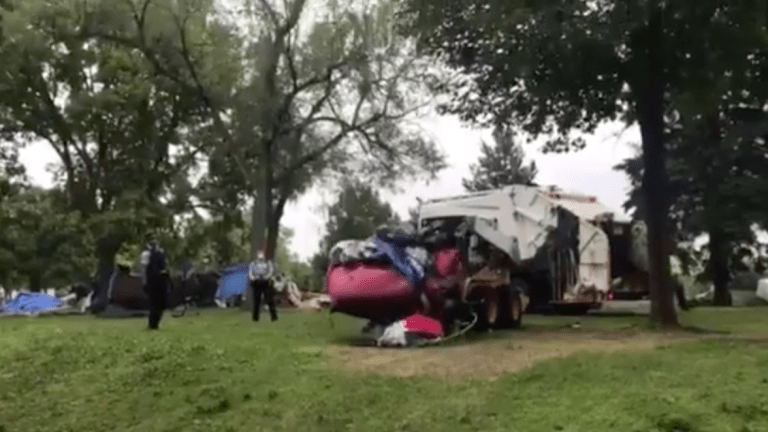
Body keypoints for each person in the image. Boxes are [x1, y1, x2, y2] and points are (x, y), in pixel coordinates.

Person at [140, 235, 170, 330]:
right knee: (154, 303)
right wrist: (144, 282)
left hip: (160, 280)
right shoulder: (146, 254)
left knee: (160, 303)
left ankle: (156, 323)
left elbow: (165, 266)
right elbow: (144, 269)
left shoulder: (161, 252)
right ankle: (152, 324)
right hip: (153, 281)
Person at [247, 251, 277, 322]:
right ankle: (255, 318)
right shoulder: (253, 263)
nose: (260, 256)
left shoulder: (267, 262)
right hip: (256, 282)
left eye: (261, 255)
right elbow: (250, 272)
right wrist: (253, 278)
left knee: (269, 299)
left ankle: (274, 316)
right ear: (257, 255)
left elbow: (270, 271)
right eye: (259, 255)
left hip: (265, 282)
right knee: (256, 300)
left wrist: (266, 277)